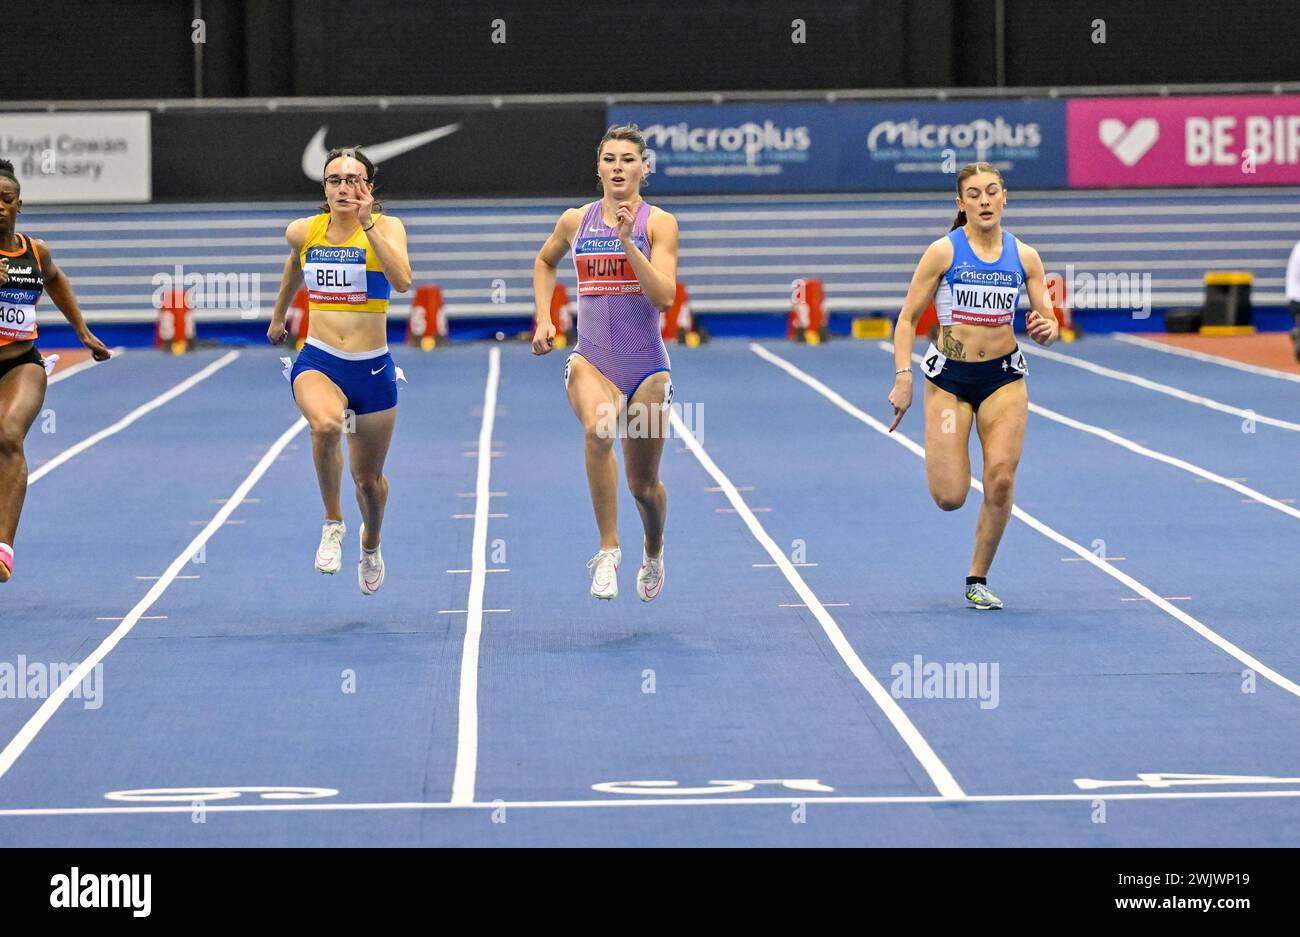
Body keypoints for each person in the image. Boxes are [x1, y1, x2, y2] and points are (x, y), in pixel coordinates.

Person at [887, 162, 1060, 609]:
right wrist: (903, 377)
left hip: (1003, 379)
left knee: (1000, 479)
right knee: (950, 497)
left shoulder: (1025, 257)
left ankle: (977, 577)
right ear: (960, 204)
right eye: (974, 194)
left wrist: (1047, 328)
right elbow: (906, 320)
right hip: (949, 381)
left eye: (991, 192)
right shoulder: (943, 252)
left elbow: (1051, 319)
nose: (984, 201)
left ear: (1005, 197)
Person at [531, 124, 679, 601]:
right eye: (610, 159)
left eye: (628, 160)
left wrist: (629, 244)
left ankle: (652, 549)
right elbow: (544, 262)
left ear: (644, 169)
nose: (619, 167)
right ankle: (609, 550)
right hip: (591, 359)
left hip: (648, 369)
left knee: (644, 486)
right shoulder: (575, 221)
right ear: (598, 167)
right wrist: (544, 319)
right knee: (598, 429)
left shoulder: (659, 224)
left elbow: (664, 299)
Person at [267, 147, 411, 595]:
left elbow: (403, 281)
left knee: (368, 481)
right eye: (335, 180)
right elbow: (295, 263)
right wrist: (279, 316)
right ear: (324, 187)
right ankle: (333, 522)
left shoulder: (387, 228)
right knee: (326, 426)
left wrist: (368, 224)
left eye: (353, 180)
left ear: (368, 186)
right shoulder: (303, 230)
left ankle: (371, 541)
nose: (344, 188)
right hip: (320, 359)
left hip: (371, 370)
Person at [0, 159, 112, 583]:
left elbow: (54, 278)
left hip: (19, 363)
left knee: (8, 434)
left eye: (6, 200)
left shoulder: (34, 250)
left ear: (19, 205)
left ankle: (3, 550)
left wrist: (82, 331)